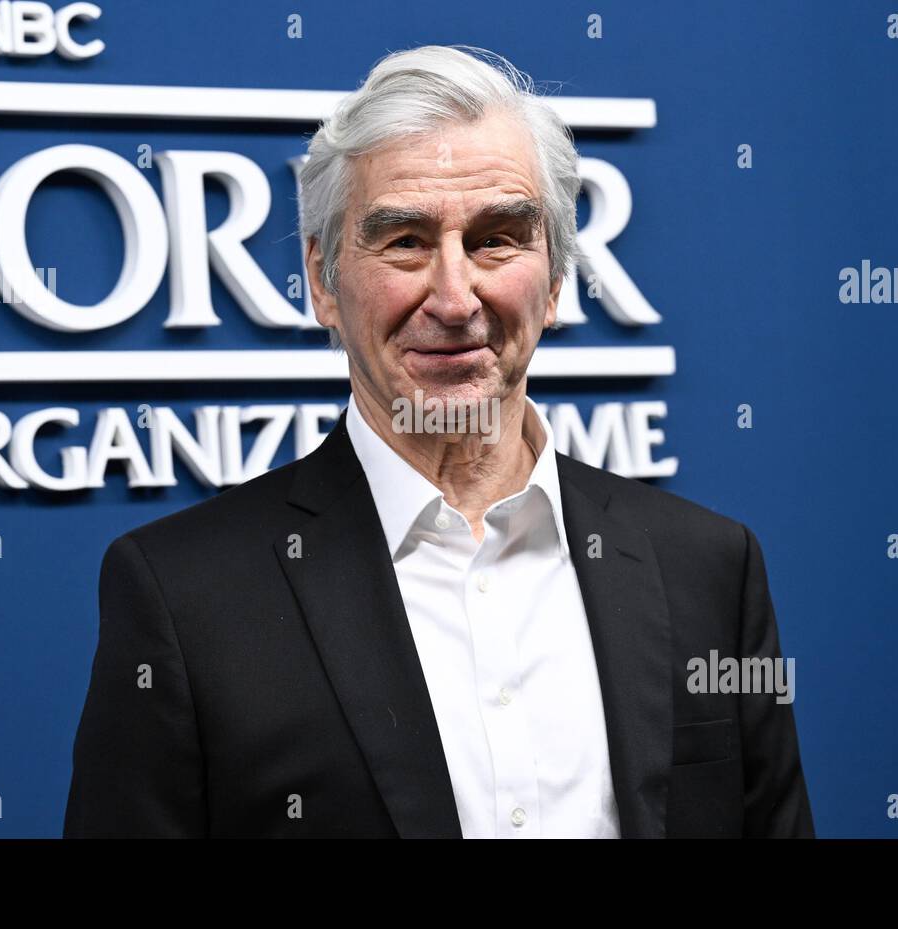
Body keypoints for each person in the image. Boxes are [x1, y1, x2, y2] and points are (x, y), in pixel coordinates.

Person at [63, 44, 813, 838]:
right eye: (405, 243)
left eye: (497, 239)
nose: (455, 300)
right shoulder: (186, 599)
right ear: (322, 280)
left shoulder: (708, 568)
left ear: (555, 277)